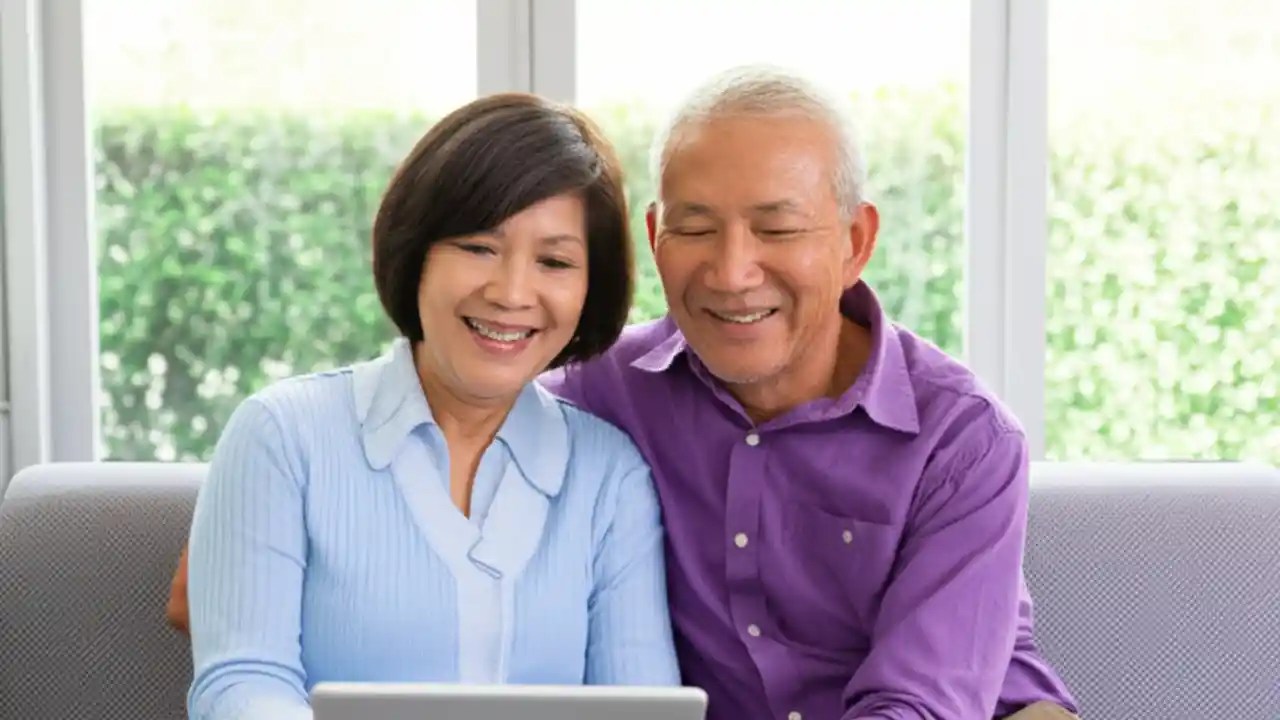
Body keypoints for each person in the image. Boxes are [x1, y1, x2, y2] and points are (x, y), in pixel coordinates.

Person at [538, 66, 1081, 719]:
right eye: (697, 228)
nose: (732, 273)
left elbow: (919, 704)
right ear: (656, 238)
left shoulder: (961, 440)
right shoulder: (596, 393)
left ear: (856, 243)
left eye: (777, 229)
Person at [179, 93, 680, 719]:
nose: (512, 292)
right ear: (417, 252)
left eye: (554, 261)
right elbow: (242, 681)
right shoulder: (281, 436)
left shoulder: (611, 476)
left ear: (589, 288)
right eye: (478, 248)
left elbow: (641, 707)